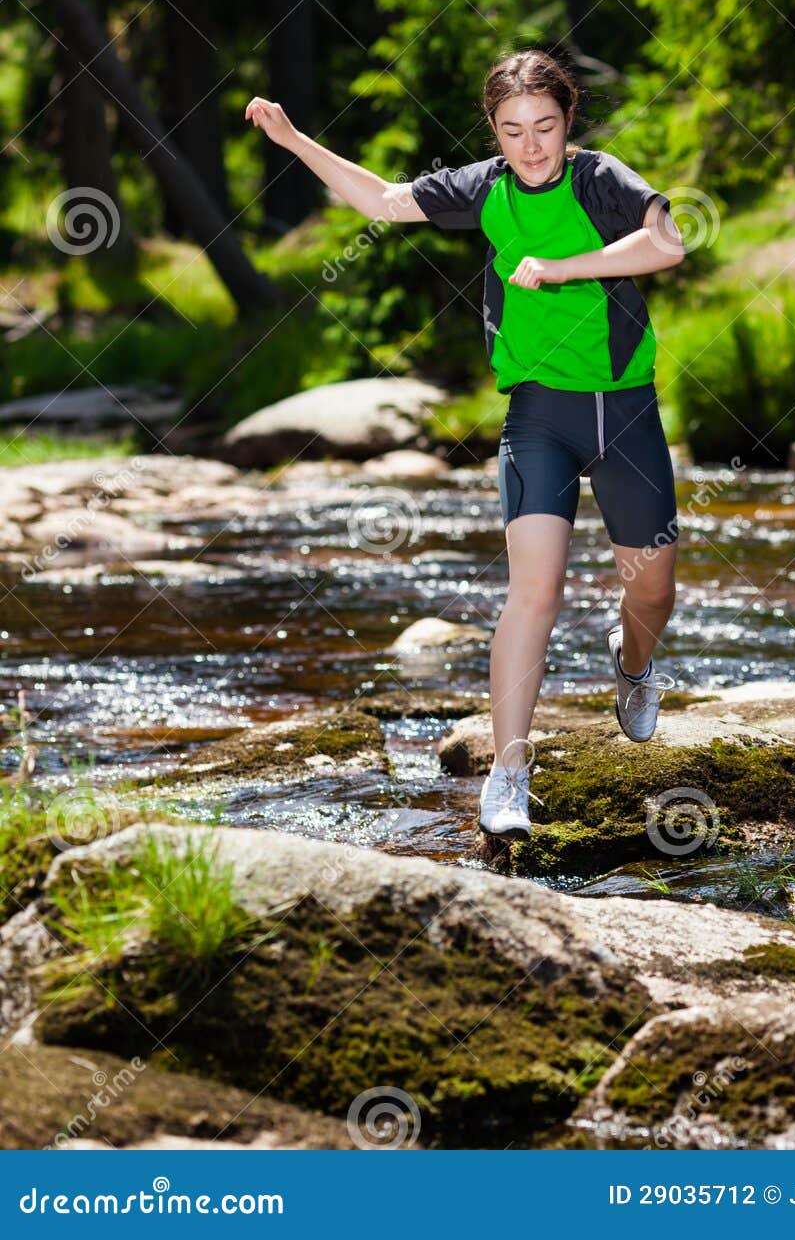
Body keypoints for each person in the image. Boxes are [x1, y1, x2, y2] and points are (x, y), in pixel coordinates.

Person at [245, 48, 685, 842]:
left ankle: (632, 665)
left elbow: (666, 243)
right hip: (536, 418)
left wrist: (558, 269)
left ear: (567, 121)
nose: (530, 146)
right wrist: (295, 142)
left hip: (624, 413)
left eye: (544, 127)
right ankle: (509, 774)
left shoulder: (598, 180)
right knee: (534, 593)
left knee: (651, 591)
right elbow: (380, 200)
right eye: (513, 130)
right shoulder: (482, 186)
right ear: (492, 129)